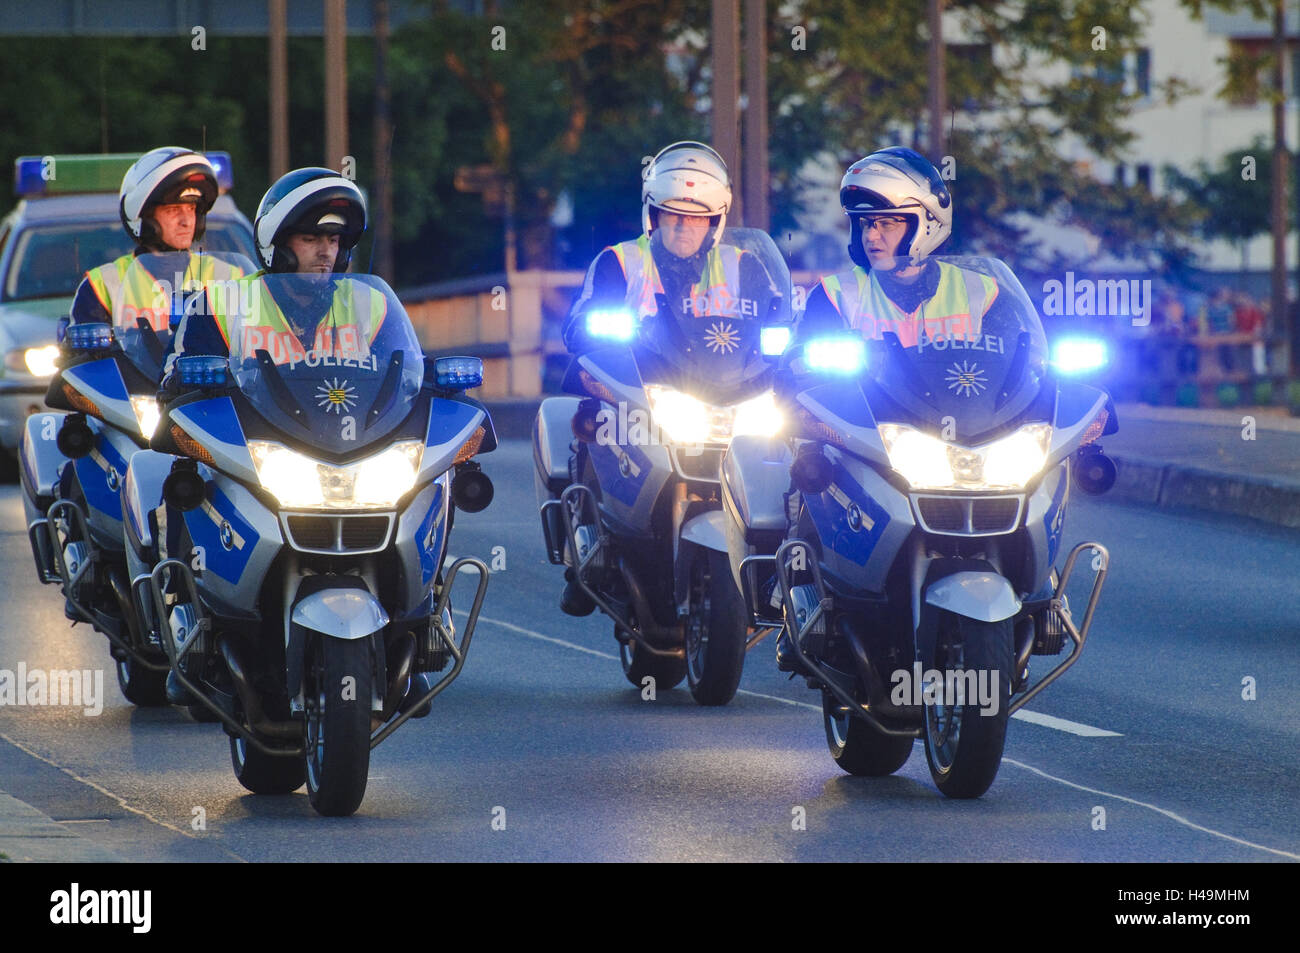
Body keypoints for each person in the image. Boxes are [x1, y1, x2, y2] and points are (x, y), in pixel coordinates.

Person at [563, 140, 775, 356]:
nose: (684, 226)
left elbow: (779, 317)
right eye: (673, 214)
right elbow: (578, 325)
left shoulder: (742, 266)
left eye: (697, 218)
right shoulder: (620, 262)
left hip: (729, 385)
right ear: (654, 216)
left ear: (713, 222)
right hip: (638, 382)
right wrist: (589, 329)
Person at [164, 166, 375, 383]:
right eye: (310, 239)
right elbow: (174, 394)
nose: (326, 253)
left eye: (333, 240)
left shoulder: (369, 306)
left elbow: (407, 383)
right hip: (251, 418)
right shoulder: (219, 307)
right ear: (277, 244)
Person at [796, 146, 999, 351]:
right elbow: (802, 372)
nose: (870, 236)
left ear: (928, 223)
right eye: (865, 224)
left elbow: (1023, 367)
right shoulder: (835, 296)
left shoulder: (980, 293)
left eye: (887, 223)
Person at [69, 147, 245, 337]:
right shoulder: (104, 284)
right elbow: (85, 360)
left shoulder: (229, 278)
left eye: (192, 208)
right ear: (144, 216)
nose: (187, 221)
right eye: (174, 209)